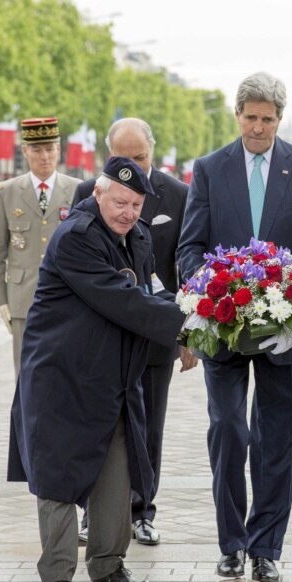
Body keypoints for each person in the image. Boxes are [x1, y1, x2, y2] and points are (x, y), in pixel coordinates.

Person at [7, 157, 186, 582]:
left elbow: (151, 289)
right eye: (120, 202)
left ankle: (108, 566)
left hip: (112, 376)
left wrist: (196, 305)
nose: (128, 212)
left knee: (116, 472)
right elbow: (123, 300)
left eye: (136, 205)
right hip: (62, 377)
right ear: (99, 193)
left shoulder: (137, 237)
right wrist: (187, 321)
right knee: (58, 476)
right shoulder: (77, 237)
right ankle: (57, 576)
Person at [177, 72, 292, 582]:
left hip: (282, 332)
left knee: (277, 440)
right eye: (251, 117)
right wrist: (210, 286)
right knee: (228, 430)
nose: (259, 127)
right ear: (237, 115)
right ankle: (231, 544)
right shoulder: (208, 169)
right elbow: (189, 247)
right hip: (221, 332)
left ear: (279, 120)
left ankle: (267, 546)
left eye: (268, 119)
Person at [72, 118, 195, 546]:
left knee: (149, 425)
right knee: (100, 423)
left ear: (153, 151)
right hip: (103, 335)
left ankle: (142, 510)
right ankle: (94, 512)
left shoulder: (179, 195)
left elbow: (186, 266)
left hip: (156, 332)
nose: (131, 165)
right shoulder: (88, 192)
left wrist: (186, 331)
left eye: (139, 157)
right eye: (120, 158)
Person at [0, 117, 81, 375]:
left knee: (65, 372)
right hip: (22, 298)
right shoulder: (7, 192)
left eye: (50, 149)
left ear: (59, 149)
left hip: (66, 296)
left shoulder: (77, 191)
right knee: (25, 373)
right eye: (37, 149)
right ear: (25, 150)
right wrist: (0, 300)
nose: (45, 156)